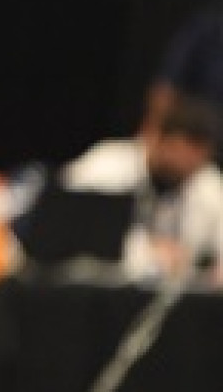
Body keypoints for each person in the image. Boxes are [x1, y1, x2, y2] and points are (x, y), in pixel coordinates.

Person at [62, 93, 223, 282]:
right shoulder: (104, 167)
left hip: (169, 299)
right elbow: (68, 233)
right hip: (89, 289)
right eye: (174, 162)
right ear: (153, 138)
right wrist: (145, 253)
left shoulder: (207, 182)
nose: (182, 172)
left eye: (192, 167)